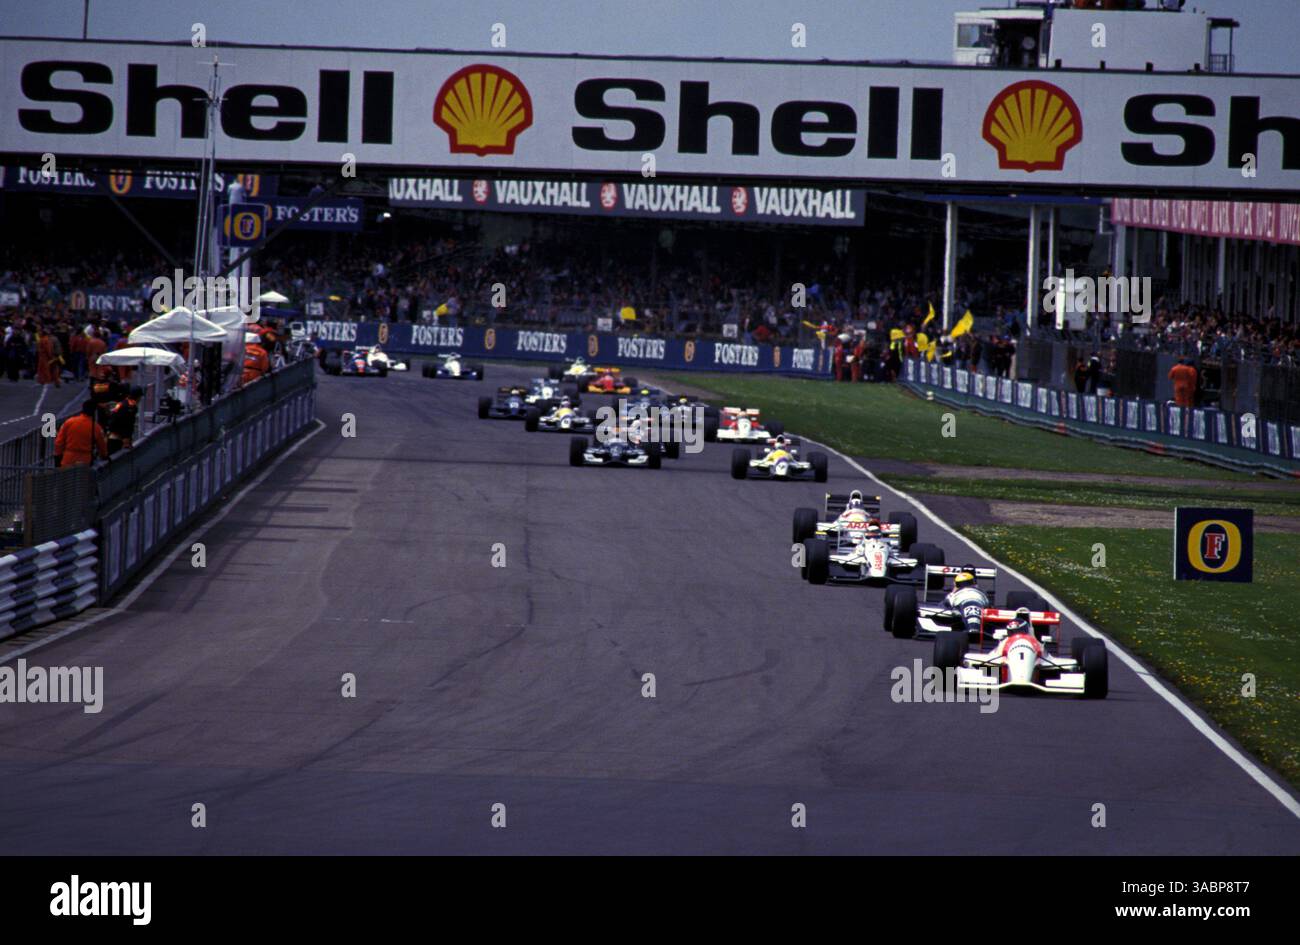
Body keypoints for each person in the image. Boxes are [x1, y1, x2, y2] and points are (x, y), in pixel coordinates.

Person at [54, 400, 109, 467]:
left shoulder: (69, 422)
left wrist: (58, 456)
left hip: (69, 458)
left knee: (66, 476)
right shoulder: (96, 427)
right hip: (85, 460)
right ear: (94, 412)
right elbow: (102, 445)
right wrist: (104, 456)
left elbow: (59, 442)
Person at [105, 386, 141, 454]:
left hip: (113, 435)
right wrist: (126, 437)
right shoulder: (131, 407)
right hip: (118, 437)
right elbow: (128, 424)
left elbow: (114, 418)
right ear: (138, 397)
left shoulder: (123, 403)